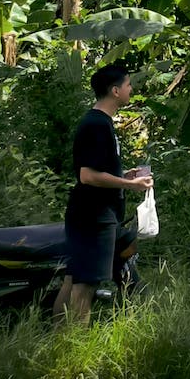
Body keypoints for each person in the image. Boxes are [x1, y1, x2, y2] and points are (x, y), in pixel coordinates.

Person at [53, 65, 154, 325]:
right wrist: (130, 185)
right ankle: (73, 350)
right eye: (129, 85)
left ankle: (59, 340)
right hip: (94, 217)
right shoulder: (97, 124)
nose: (132, 89)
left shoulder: (99, 122)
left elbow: (98, 169)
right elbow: (87, 175)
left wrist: (125, 175)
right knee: (85, 284)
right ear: (115, 90)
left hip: (88, 213)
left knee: (73, 277)